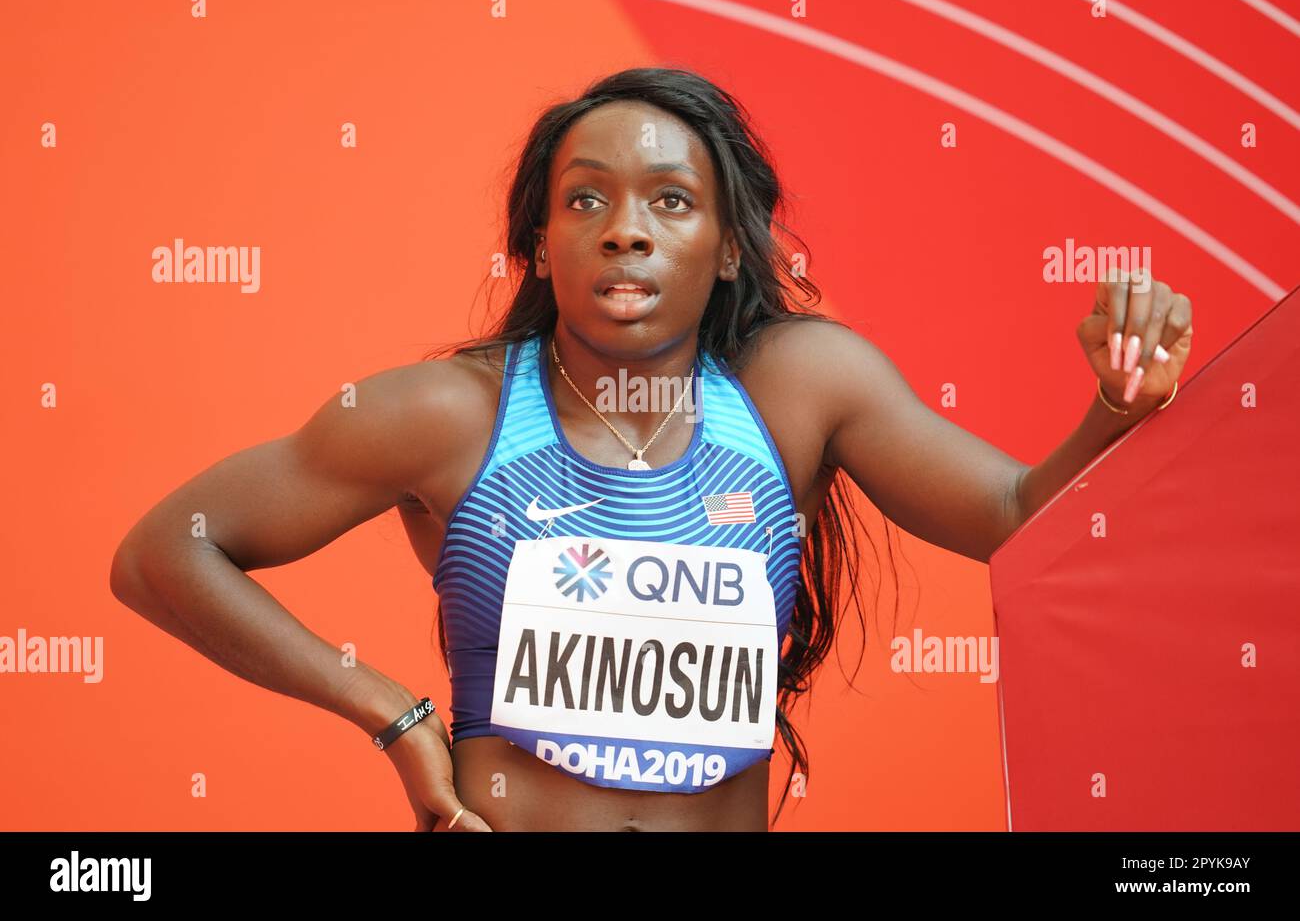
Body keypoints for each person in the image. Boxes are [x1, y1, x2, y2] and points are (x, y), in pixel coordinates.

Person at [109, 66, 1193, 832]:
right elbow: (168, 551)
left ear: (729, 248)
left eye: (670, 201)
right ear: (540, 240)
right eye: (586, 199)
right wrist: (389, 714)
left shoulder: (801, 387)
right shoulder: (449, 413)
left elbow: (1013, 512)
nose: (625, 228)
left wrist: (1112, 402)